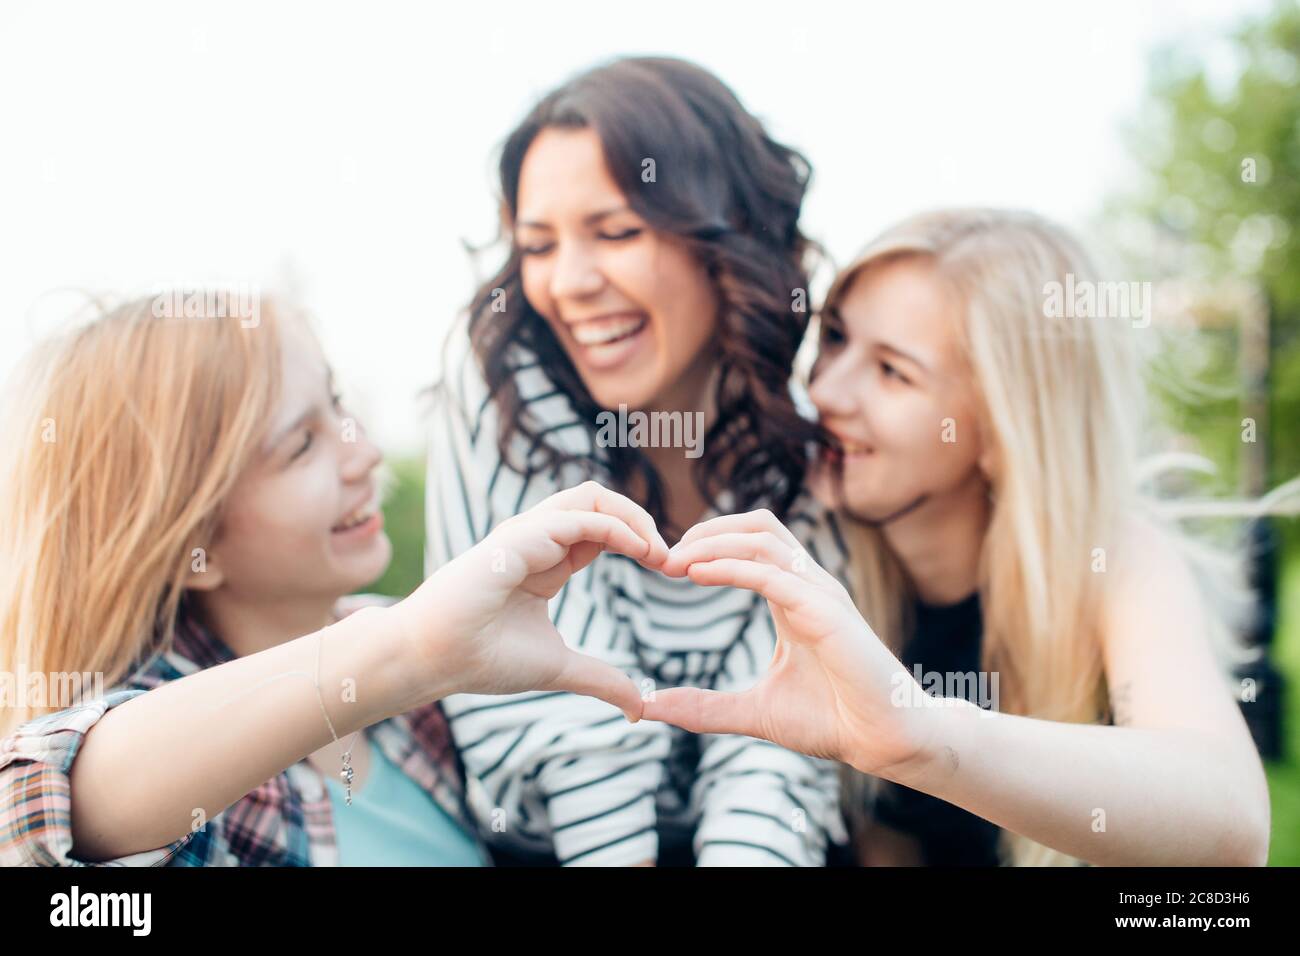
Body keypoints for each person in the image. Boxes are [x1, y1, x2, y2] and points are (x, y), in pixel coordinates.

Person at [644, 209, 1272, 866]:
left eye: (892, 372)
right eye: (833, 338)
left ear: (1005, 430)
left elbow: (1231, 824)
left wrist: (924, 735)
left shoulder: (1114, 560)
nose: (826, 389)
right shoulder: (805, 539)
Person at [0, 294, 663, 866]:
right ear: (189, 546)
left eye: (337, 404)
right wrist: (410, 650)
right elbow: (30, 818)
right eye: (302, 445)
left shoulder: (413, 689)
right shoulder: (179, 752)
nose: (364, 452)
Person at [426, 56, 851, 866]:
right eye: (538, 246)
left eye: (617, 232)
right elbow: (563, 712)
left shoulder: (805, 422)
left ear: (724, 235)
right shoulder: (501, 389)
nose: (571, 284)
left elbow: (781, 742)